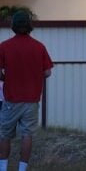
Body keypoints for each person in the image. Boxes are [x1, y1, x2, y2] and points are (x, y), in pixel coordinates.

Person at [0, 11, 53, 171]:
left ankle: (3, 168)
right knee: (27, 134)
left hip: (11, 100)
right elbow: (47, 72)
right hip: (31, 100)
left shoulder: (4, 46)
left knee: (4, 134)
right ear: (29, 26)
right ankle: (22, 169)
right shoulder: (39, 46)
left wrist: (5, 78)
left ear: (13, 26)